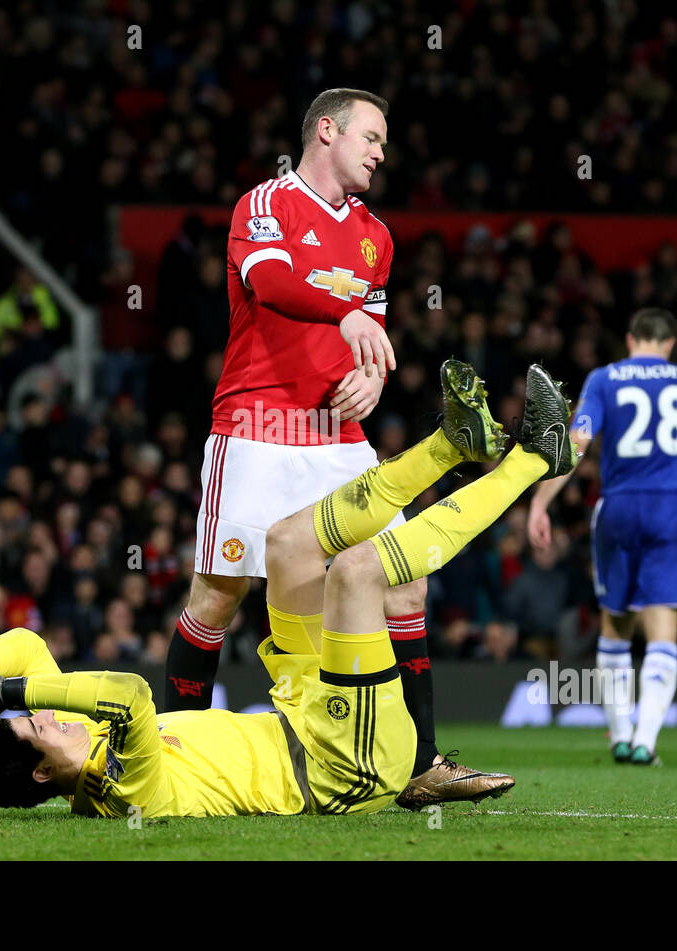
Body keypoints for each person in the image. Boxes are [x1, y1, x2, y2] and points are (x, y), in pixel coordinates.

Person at [0, 362, 577, 817]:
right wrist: (0, 696)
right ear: (41, 771)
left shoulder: (79, 734)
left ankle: (450, 445)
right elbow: (132, 694)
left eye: (36, 711)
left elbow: (26, 645)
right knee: (357, 572)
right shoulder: (119, 789)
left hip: (300, 706)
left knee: (285, 543)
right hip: (346, 763)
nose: (49, 715)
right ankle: (534, 458)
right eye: (36, 726)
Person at [164, 86, 495, 807]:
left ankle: (421, 762)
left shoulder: (377, 235)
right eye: (371, 136)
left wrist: (371, 381)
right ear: (326, 130)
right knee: (218, 597)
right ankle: (174, 758)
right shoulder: (264, 204)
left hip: (338, 438)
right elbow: (273, 283)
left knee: (406, 581)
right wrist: (347, 316)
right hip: (256, 429)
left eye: (383, 141)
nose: (381, 151)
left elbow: (367, 342)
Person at [527, 308, 677, 765]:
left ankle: (620, 736)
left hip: (618, 508)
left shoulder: (605, 379)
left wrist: (540, 503)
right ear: (668, 343)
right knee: (663, 624)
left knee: (615, 621)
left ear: (629, 339)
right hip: (669, 509)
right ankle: (646, 741)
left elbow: (576, 445)